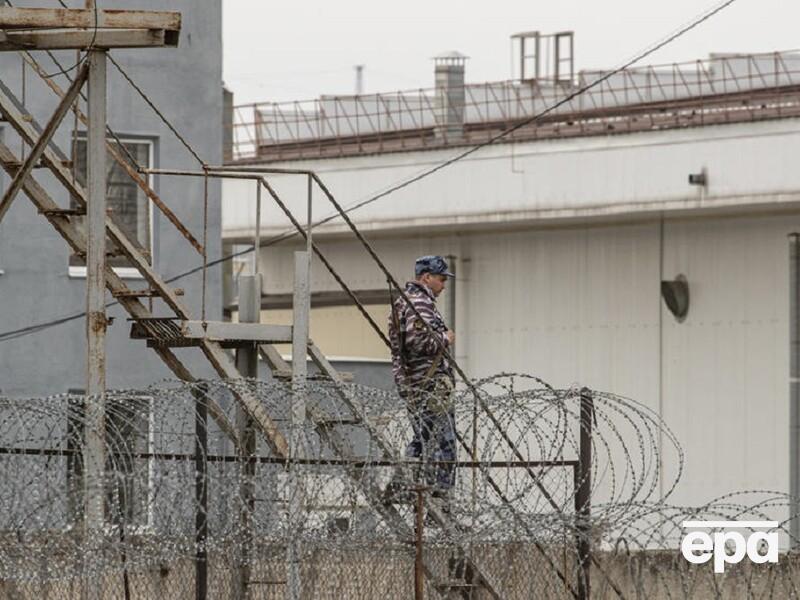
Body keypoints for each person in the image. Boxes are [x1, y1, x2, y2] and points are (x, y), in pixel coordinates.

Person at [387, 255, 457, 500]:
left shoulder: (405, 302)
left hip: (415, 381)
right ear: (426, 277)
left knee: (423, 436)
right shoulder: (420, 302)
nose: (443, 285)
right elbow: (419, 342)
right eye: (440, 279)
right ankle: (441, 498)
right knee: (444, 439)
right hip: (428, 382)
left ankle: (403, 483)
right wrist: (446, 338)